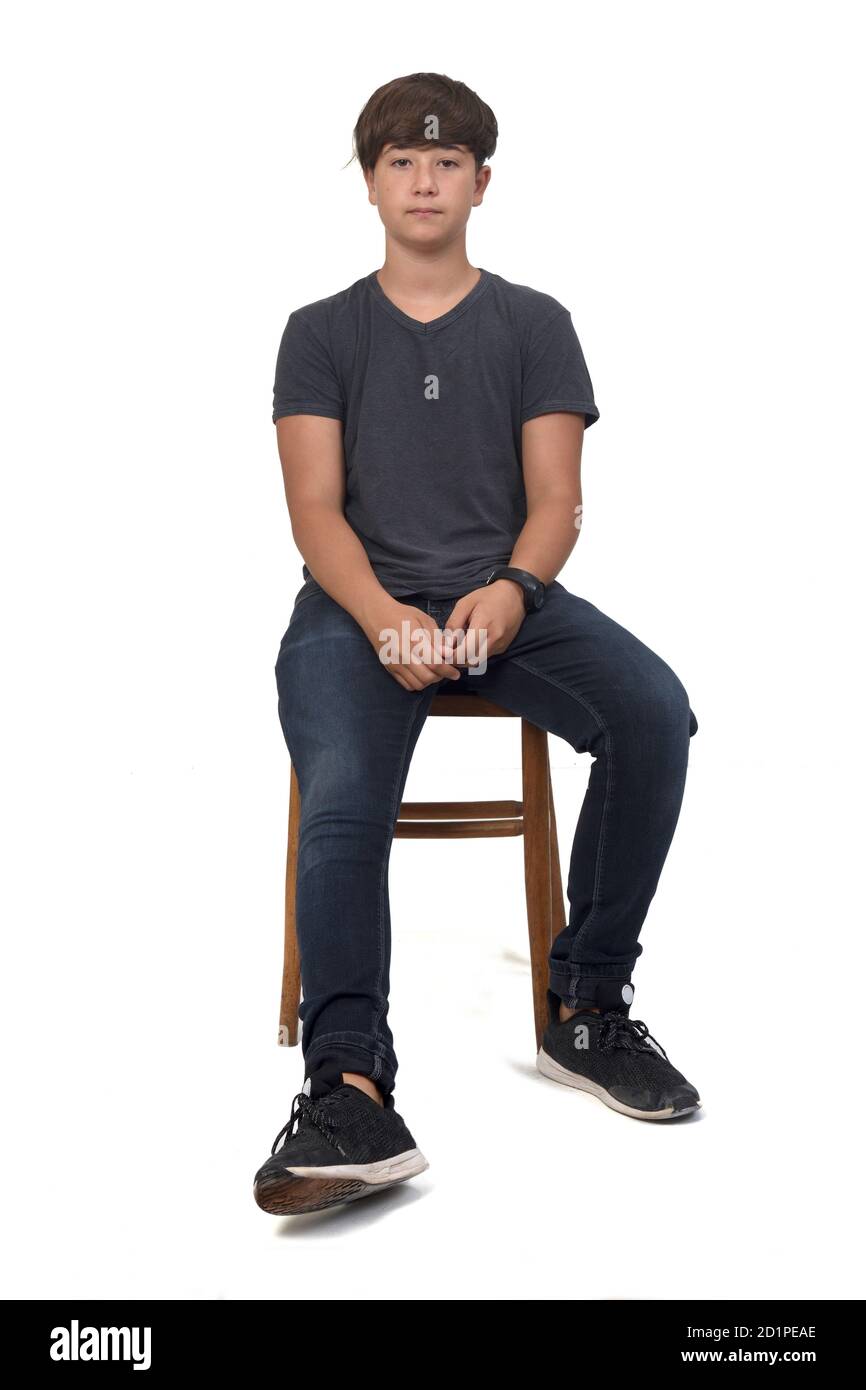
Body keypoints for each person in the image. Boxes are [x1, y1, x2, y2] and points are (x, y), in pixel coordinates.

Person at [254, 72, 701, 1219]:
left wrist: (510, 590)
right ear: (367, 184)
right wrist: (378, 616)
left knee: (652, 714)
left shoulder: (533, 322)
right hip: (356, 609)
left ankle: (588, 1007)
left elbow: (556, 500)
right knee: (346, 796)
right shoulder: (318, 333)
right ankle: (348, 1078)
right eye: (400, 161)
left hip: (502, 601)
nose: (423, 179)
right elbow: (314, 508)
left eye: (445, 163)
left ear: (480, 184)